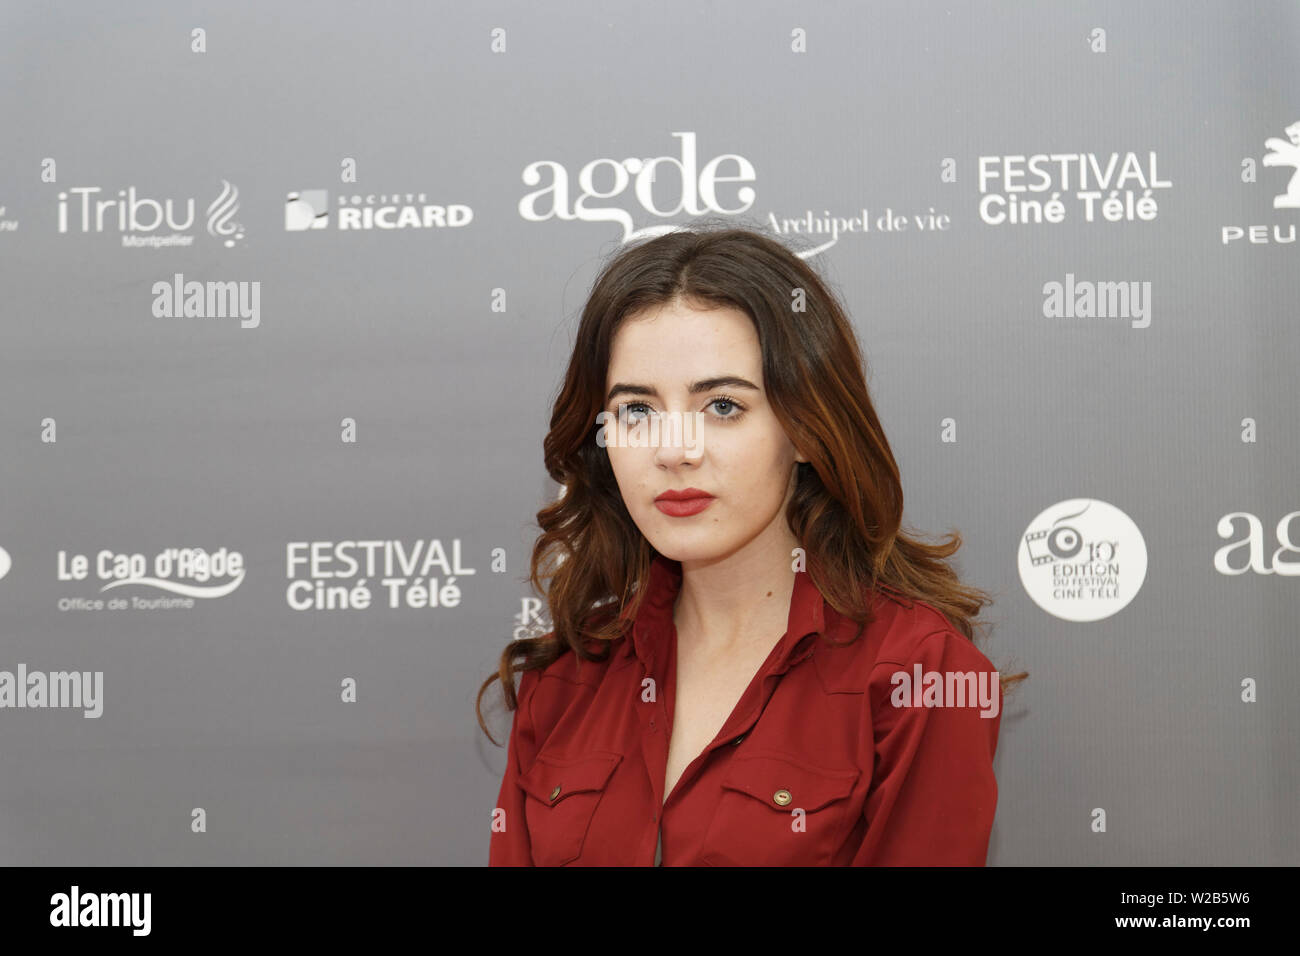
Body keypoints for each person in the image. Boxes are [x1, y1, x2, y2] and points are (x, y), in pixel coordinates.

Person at [477, 222, 1026, 866]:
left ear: (803, 429)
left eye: (723, 407)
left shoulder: (920, 673)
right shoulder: (566, 680)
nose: (675, 451)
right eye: (637, 410)